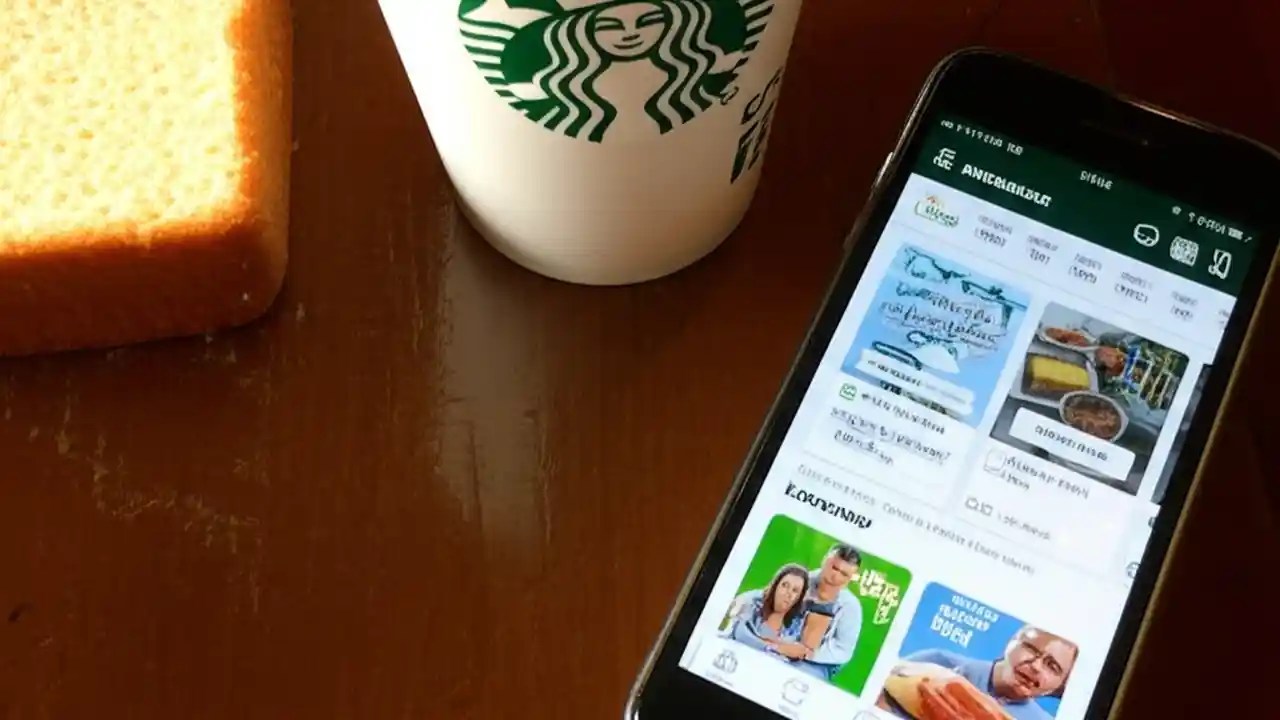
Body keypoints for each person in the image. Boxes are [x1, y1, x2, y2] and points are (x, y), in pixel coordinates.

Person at [884, 625, 1079, 720]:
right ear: (1011, 643)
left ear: (1060, 685)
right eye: (1031, 649)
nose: (1036, 666)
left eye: (1052, 667)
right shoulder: (934, 662)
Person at [722, 563, 809, 653]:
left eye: (795, 591)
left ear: (799, 598)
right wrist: (774, 648)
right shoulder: (753, 605)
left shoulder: (795, 626)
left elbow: (798, 652)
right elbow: (740, 633)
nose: (788, 593)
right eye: (785, 585)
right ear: (775, 586)